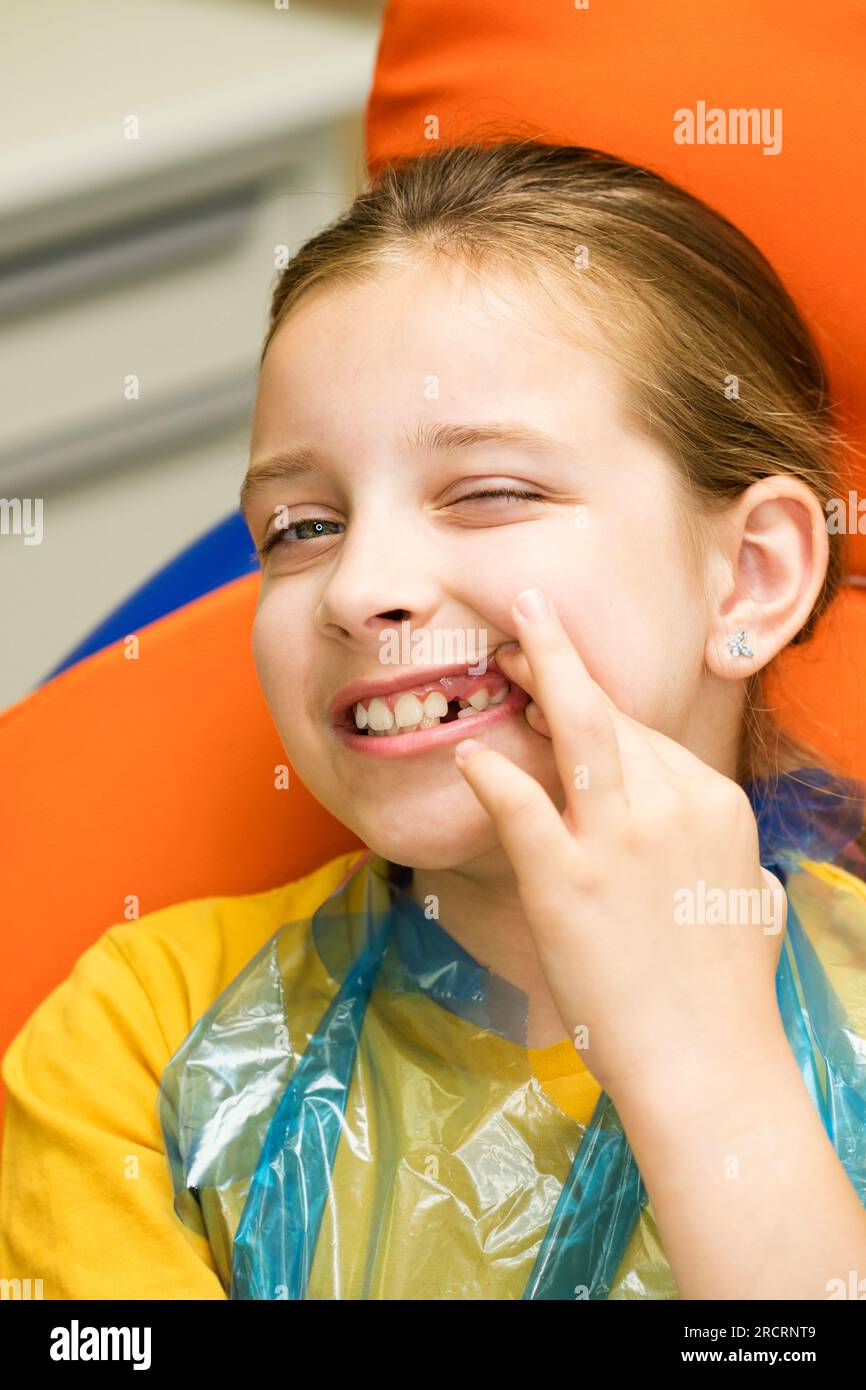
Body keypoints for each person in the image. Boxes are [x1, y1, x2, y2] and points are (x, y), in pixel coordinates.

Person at [3, 140, 866, 1301]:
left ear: (749, 575)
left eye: (488, 491)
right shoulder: (140, 1040)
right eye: (300, 527)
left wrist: (707, 1070)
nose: (360, 587)